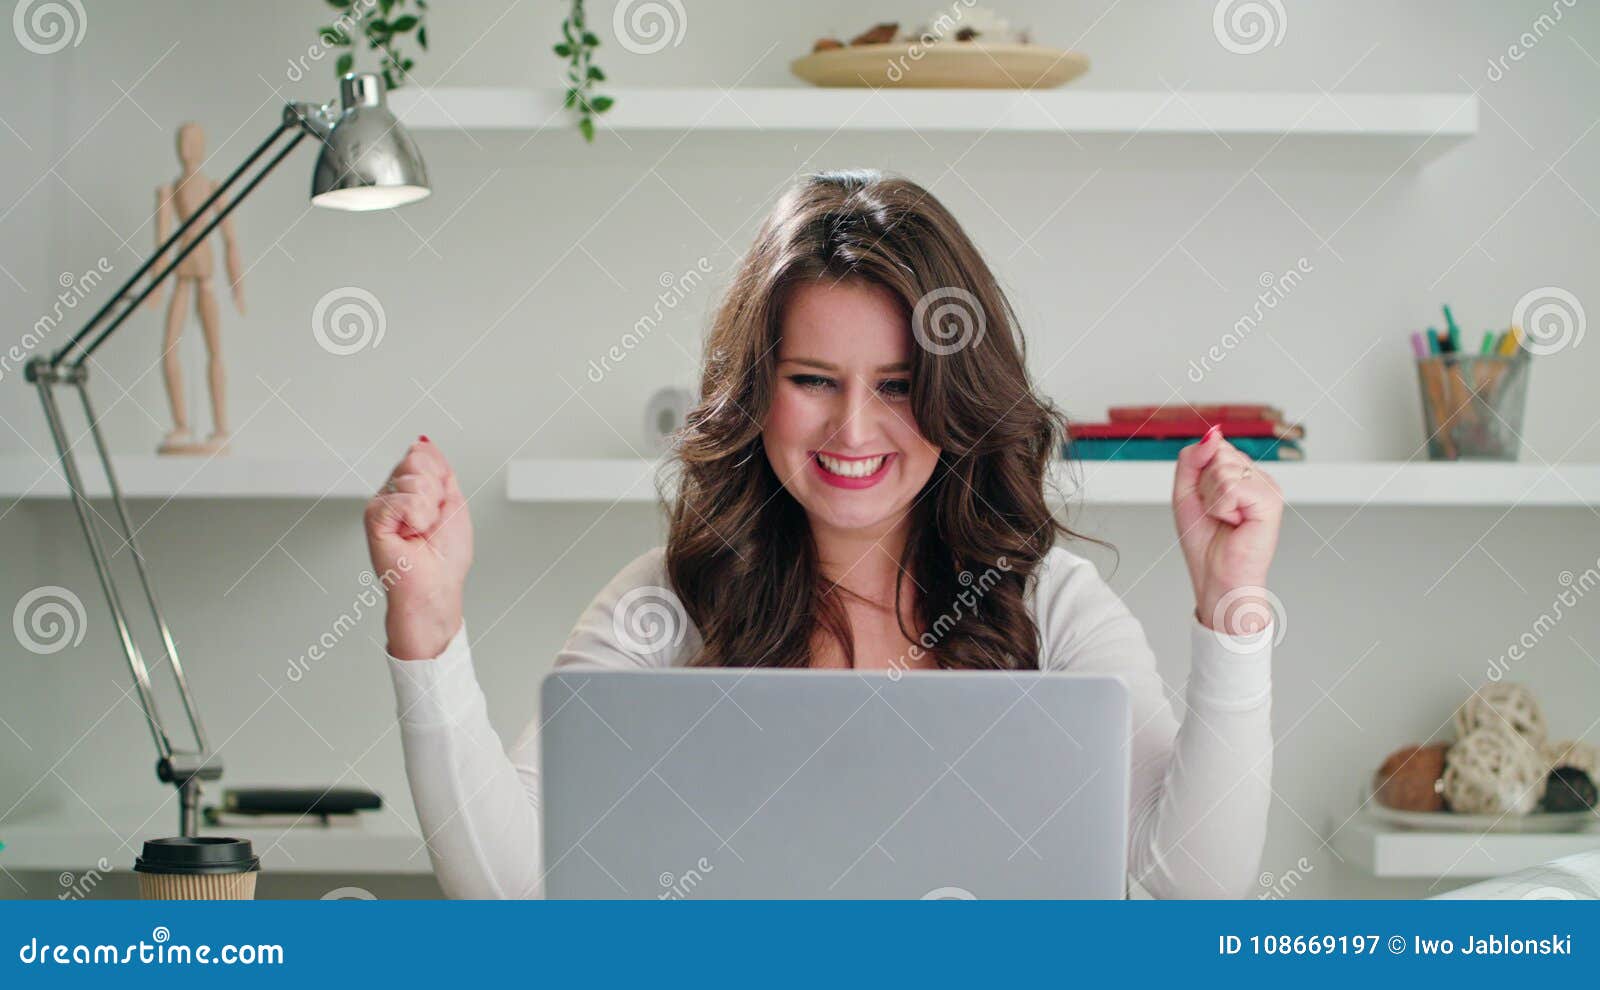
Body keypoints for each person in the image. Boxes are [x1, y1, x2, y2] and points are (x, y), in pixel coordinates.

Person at [364, 169, 1284, 899]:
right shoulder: (666, 602)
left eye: (894, 385)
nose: (852, 431)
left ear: (954, 396)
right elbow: (511, 882)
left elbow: (1198, 881)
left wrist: (1230, 605)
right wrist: (428, 629)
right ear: (757, 389)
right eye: (812, 380)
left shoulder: (1051, 604)